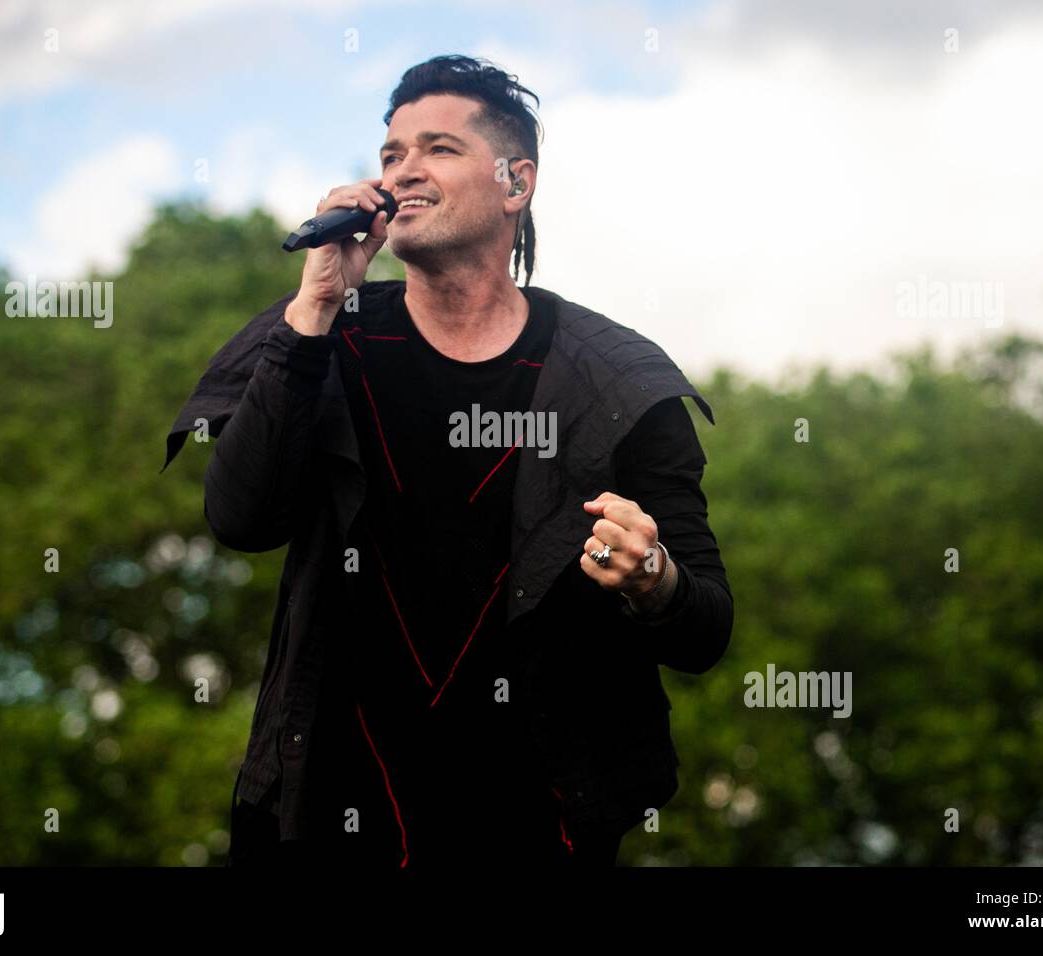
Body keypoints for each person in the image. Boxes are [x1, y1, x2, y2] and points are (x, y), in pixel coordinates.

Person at [163, 54, 735, 870]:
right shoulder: (321, 339)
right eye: (391, 154)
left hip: (538, 829)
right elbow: (241, 519)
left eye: (437, 148)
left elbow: (705, 628)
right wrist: (317, 305)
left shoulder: (614, 381)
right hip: (330, 819)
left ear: (515, 182)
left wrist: (655, 581)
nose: (403, 172)